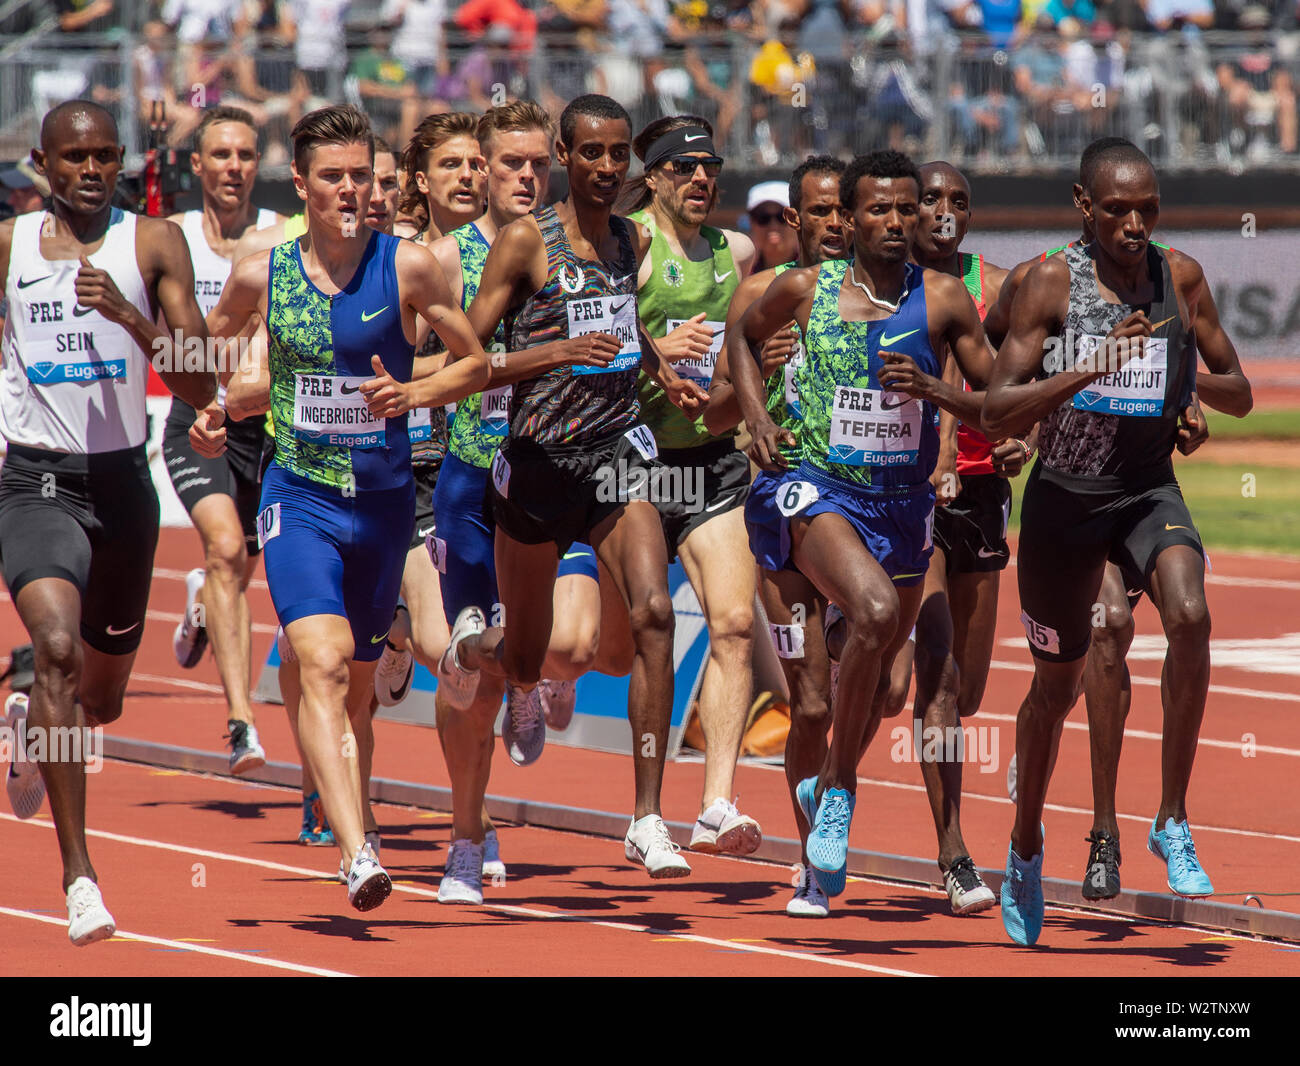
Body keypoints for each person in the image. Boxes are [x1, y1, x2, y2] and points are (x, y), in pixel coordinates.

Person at [205, 105, 490, 911]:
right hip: (297, 496)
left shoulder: (408, 268)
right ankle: (356, 849)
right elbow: (211, 345)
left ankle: (350, 811)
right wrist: (213, 404)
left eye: (361, 175)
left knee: (359, 688)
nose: (349, 189)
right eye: (331, 176)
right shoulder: (265, 272)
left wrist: (415, 390)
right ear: (301, 185)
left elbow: (474, 364)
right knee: (321, 663)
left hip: (386, 507)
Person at [983, 140, 1246, 945]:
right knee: (1059, 684)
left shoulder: (1183, 277)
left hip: (1144, 489)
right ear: (1084, 205)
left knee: (1191, 614)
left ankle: (1170, 817)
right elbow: (998, 410)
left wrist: (1180, 383)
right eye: (1119, 210)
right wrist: (1094, 366)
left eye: (1149, 210)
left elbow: (1237, 391)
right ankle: (1026, 843)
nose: (1135, 225)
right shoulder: (1047, 282)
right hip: (1064, 503)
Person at [449, 94, 709, 879]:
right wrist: (555, 353)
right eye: (590, 153)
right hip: (536, 464)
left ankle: (648, 819)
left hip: (616, 451)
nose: (605, 167)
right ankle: (485, 661)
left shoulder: (630, 239)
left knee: (656, 616)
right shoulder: (527, 244)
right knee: (527, 652)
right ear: (564, 154)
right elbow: (469, 350)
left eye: (617, 153)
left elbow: (622, 328)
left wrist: (660, 367)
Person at [725, 149, 993, 900]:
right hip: (814, 492)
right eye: (879, 209)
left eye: (909, 210)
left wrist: (943, 390)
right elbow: (739, 340)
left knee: (881, 676)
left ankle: (832, 786)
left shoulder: (942, 297)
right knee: (868, 619)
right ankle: (838, 793)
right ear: (847, 216)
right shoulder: (805, 288)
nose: (899, 222)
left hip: (902, 508)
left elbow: (997, 397)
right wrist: (753, 411)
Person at [0, 101, 216, 944]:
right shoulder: (11, 248)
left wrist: (130, 317)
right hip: (35, 483)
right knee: (55, 648)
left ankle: (31, 721)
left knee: (101, 700)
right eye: (74, 158)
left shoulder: (152, 243)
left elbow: (199, 382)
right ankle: (79, 876)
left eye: (104, 157)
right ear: (43, 166)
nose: (91, 170)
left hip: (124, 488)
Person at [428, 100, 628, 902]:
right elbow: (438, 361)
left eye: (534, 164)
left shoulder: (579, 244)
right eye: (502, 164)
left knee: (578, 651)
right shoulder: (439, 260)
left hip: (559, 469)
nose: (520, 177)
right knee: (471, 692)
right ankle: (468, 837)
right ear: (480, 167)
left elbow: (612, 335)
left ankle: (523, 670)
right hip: (472, 476)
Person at [706, 153, 849, 915]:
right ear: (795, 220)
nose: (832, 225)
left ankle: (831, 790)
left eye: (841, 211)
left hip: (868, 515)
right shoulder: (760, 296)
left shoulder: (885, 298)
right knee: (814, 703)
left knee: (884, 691)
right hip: (782, 513)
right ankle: (811, 863)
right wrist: (759, 373)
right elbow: (713, 413)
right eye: (816, 212)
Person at [621, 113, 765, 856]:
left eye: (711, 169)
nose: (701, 180)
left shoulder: (734, 251)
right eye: (684, 169)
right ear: (654, 179)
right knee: (623, 640)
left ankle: (715, 801)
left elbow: (744, 347)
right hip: (633, 464)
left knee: (735, 623)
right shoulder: (632, 245)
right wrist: (653, 350)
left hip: (709, 462)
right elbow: (586, 333)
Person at [898, 159, 1031, 914]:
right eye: (930, 200)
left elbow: (1028, 382)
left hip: (982, 494)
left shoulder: (1002, 286)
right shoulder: (891, 288)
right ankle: (953, 853)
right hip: (907, 493)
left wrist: (1027, 434)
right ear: (908, 213)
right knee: (939, 676)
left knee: (970, 690)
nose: (945, 211)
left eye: (959, 200)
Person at [165, 106, 283, 775]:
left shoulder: (279, 238)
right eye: (221, 155)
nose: (234, 167)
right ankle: (242, 723)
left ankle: (206, 600)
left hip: (260, 428)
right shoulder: (171, 236)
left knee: (240, 570)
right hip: (195, 419)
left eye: (244, 155)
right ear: (199, 165)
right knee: (226, 550)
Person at [746, 180, 799, 271]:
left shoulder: (821, 276)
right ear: (751, 223)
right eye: (763, 217)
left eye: (782, 217)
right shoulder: (740, 278)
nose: (773, 226)